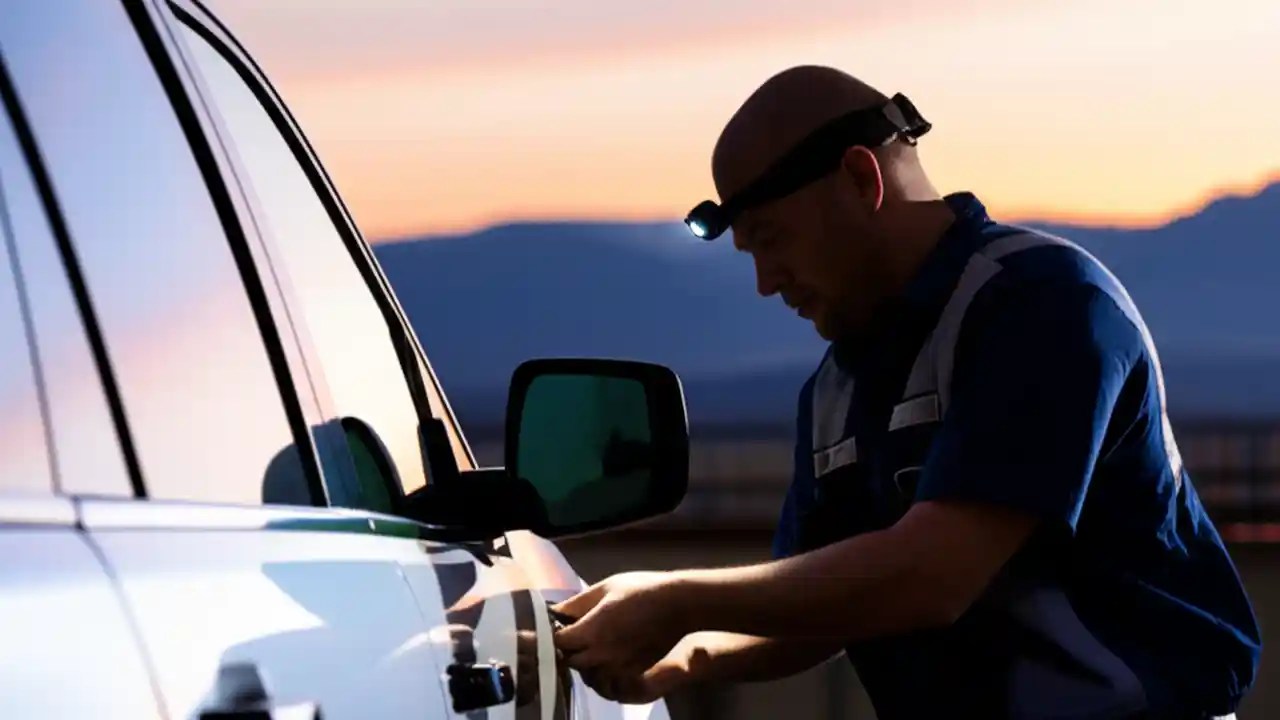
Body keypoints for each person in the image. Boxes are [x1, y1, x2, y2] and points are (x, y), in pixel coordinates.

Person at [551, 65, 1262, 719]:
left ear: (863, 180)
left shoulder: (1041, 304)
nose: (767, 281)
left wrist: (675, 600)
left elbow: (933, 574)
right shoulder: (835, 388)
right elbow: (830, 601)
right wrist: (687, 656)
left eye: (772, 239)